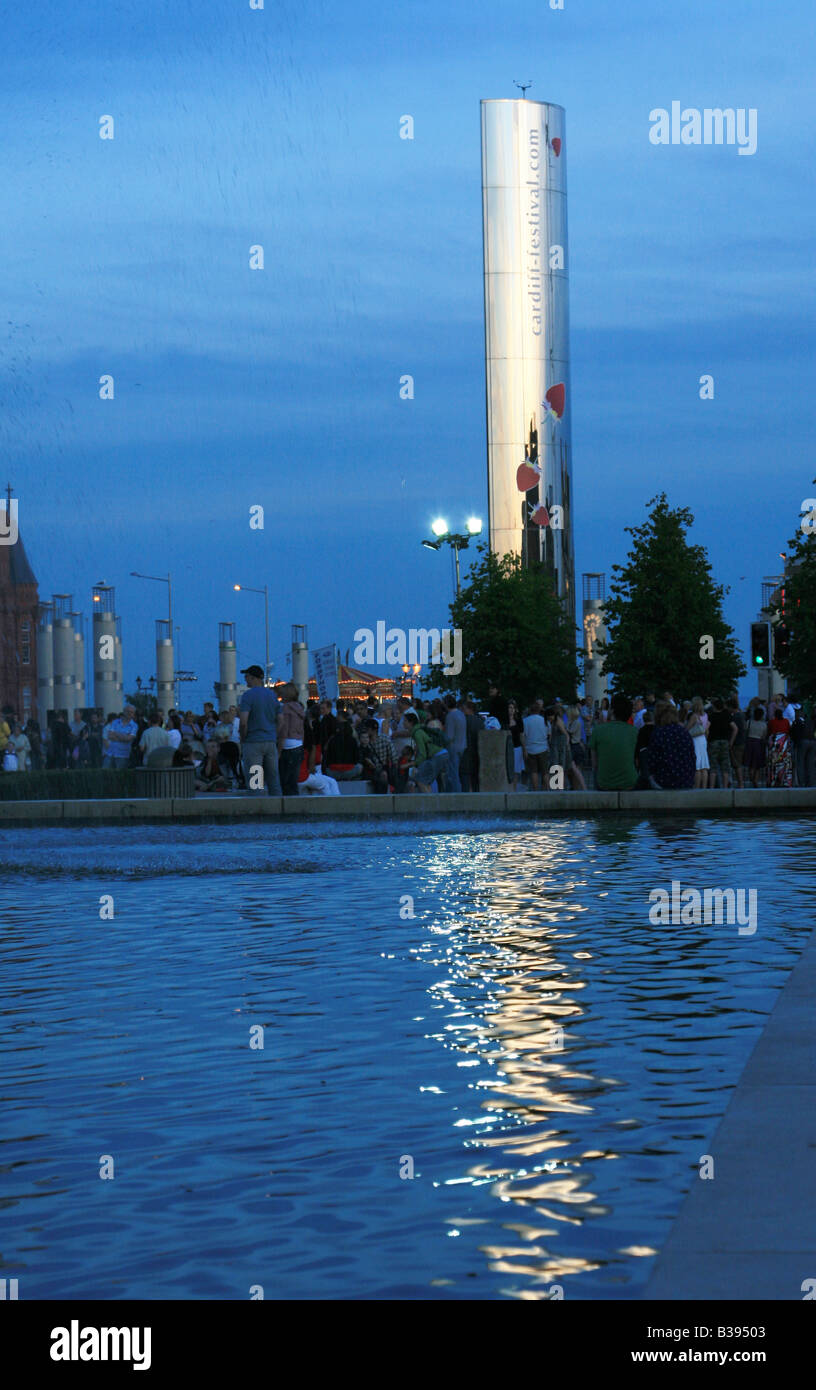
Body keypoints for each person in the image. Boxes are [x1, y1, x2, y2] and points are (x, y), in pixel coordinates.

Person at [239, 664, 282, 796]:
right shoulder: (272, 695)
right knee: (273, 779)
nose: (245, 679)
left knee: (255, 781)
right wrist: (274, 734)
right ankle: (278, 811)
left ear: (253, 678)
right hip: (270, 742)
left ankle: (257, 811)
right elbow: (281, 720)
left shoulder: (247, 696)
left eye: (246, 677)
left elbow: (244, 722)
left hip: (253, 743)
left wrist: (243, 738)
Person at [589, 693, 638, 790]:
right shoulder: (634, 731)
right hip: (629, 782)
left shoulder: (598, 730)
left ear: (612, 710)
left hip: (604, 783)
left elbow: (594, 763)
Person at [648, 701, 696, 789]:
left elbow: (652, 761)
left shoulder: (658, 733)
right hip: (686, 780)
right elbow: (692, 757)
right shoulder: (684, 732)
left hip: (664, 780)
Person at [402, 710, 448, 792]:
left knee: (421, 781)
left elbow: (423, 754)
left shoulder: (417, 733)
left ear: (411, 722)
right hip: (442, 754)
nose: (403, 723)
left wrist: (410, 764)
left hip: (437, 756)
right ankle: (430, 801)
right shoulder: (418, 730)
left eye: (405, 721)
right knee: (425, 781)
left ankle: (429, 803)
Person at [277, 683, 306, 796]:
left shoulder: (285, 709)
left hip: (287, 746)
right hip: (298, 744)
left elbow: (284, 731)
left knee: (284, 781)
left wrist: (279, 751)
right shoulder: (299, 708)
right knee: (293, 781)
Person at [707, 697, 737, 789]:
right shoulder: (727, 715)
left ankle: (711, 787)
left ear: (714, 707)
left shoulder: (711, 716)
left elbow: (707, 729)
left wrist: (707, 740)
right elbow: (735, 728)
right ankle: (725, 787)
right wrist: (731, 742)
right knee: (725, 766)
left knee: (713, 766)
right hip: (725, 742)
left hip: (714, 742)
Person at [358, 717, 394, 794]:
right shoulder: (365, 743)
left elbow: (393, 757)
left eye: (367, 729)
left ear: (371, 730)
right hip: (371, 770)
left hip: (381, 769)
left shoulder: (384, 740)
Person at [521, 700, 549, 791]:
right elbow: (549, 734)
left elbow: (523, 736)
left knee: (534, 771)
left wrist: (524, 749)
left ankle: (535, 790)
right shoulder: (545, 721)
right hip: (543, 748)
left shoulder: (525, 721)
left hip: (530, 749)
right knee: (545, 771)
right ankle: (547, 789)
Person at [443, 695, 467, 793]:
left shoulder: (450, 716)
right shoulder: (461, 714)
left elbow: (449, 736)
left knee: (453, 775)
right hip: (462, 746)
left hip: (453, 748)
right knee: (456, 773)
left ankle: (455, 795)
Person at [766, 706, 793, 788]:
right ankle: (786, 782)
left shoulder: (772, 722)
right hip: (784, 743)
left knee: (773, 763)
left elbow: (769, 732)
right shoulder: (786, 721)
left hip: (775, 744)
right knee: (786, 763)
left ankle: (773, 781)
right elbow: (789, 731)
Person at [686, 697, 709, 789]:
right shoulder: (705, 715)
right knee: (704, 766)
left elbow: (687, 729)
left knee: (697, 766)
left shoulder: (694, 716)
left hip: (695, 740)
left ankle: (697, 787)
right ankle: (704, 787)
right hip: (703, 739)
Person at [744, 703, 768, 788]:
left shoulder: (749, 722)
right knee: (757, 764)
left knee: (750, 763)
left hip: (749, 742)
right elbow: (764, 736)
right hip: (758, 743)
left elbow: (745, 732)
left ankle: (751, 778)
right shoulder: (764, 725)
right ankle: (756, 780)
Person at [461, 700, 482, 792]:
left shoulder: (464, 720)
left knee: (464, 777)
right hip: (477, 752)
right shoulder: (480, 721)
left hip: (465, 752)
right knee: (475, 779)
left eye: (464, 708)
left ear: (469, 709)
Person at [728, 695, 746, 789]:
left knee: (736, 764)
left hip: (736, 743)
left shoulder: (735, 717)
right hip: (742, 742)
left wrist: (731, 742)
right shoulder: (742, 715)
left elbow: (735, 730)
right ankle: (740, 783)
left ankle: (740, 784)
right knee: (738, 764)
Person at [507, 699, 525, 790]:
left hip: (517, 747)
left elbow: (521, 735)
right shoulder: (504, 720)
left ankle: (514, 789)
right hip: (507, 748)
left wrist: (524, 748)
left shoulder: (518, 720)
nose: (510, 710)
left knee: (516, 770)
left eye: (512, 708)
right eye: (509, 708)